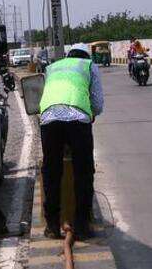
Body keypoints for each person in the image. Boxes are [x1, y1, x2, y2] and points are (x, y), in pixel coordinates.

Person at [38, 43, 104, 241]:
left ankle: (51, 225)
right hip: (77, 120)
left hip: (49, 118)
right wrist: (91, 113)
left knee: (51, 171)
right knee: (83, 171)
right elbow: (98, 103)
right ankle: (82, 225)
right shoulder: (89, 65)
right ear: (87, 55)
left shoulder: (52, 67)